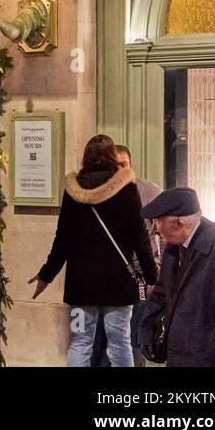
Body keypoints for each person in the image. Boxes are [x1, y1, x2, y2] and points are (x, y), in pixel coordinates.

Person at [29, 134, 158, 367]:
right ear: (111, 156)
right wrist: (152, 277)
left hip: (81, 285)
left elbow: (62, 240)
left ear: (86, 157)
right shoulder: (127, 189)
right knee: (120, 341)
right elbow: (141, 238)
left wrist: (46, 275)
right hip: (119, 284)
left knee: (80, 341)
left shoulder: (73, 190)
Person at [136, 187, 215, 367]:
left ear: (178, 223)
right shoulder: (174, 247)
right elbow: (161, 294)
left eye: (157, 221)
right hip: (179, 357)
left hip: (210, 361)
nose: (154, 227)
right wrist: (146, 333)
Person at [92, 144, 163, 367]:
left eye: (124, 165)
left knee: (134, 340)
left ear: (132, 166)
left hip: (140, 277)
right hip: (107, 279)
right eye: (115, 166)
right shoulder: (100, 194)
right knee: (101, 341)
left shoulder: (151, 192)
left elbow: (160, 235)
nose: (120, 171)